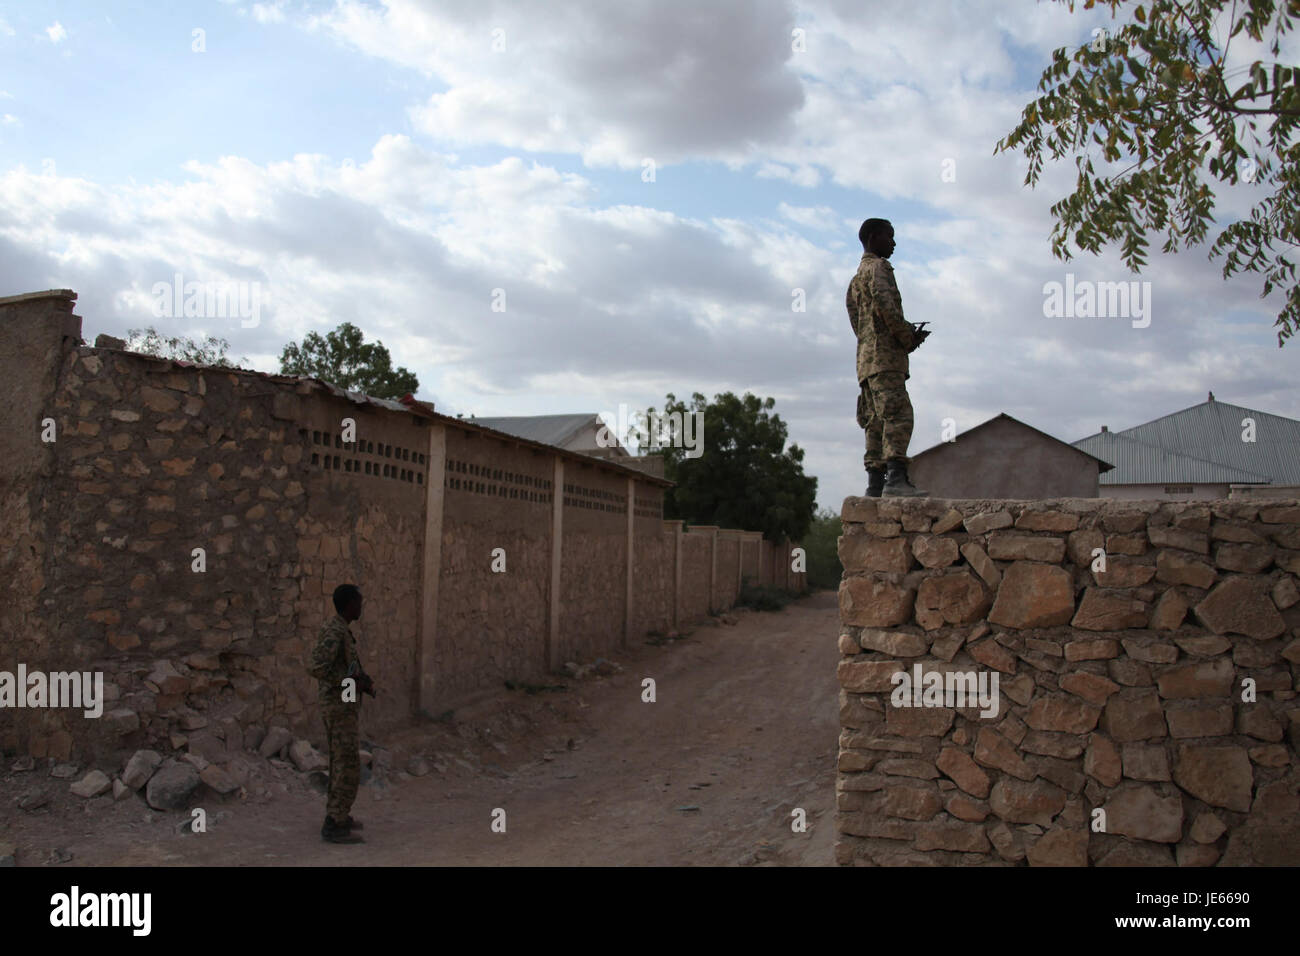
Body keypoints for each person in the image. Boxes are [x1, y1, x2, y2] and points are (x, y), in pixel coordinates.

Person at [847, 218, 928, 497]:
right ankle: (895, 480)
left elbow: (856, 322)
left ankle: (875, 484)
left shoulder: (855, 279)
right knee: (898, 414)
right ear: (872, 238)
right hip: (886, 359)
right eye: (889, 237)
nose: (894, 243)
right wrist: (908, 338)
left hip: (866, 363)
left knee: (874, 420)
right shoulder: (880, 268)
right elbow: (886, 306)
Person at [308, 583, 375, 844]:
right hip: (337, 707)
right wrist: (350, 682)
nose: (361, 607)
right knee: (346, 765)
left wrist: (363, 682)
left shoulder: (342, 631)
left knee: (342, 763)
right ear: (349, 604)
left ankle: (338, 816)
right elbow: (316, 667)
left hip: (343, 707)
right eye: (359, 602)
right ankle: (334, 824)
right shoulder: (334, 631)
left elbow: (348, 667)